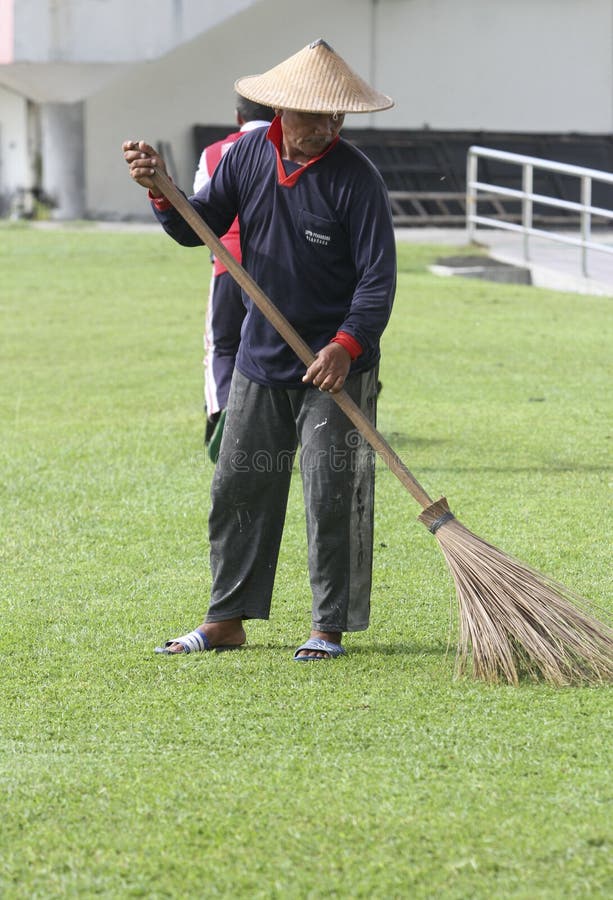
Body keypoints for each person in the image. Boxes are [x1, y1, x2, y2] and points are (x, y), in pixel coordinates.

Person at [123, 38, 396, 660]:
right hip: (262, 357)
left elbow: (378, 280)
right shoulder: (247, 155)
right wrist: (162, 191)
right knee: (239, 487)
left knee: (332, 491)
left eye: (335, 117)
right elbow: (202, 228)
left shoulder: (357, 179)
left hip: (335, 366)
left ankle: (328, 626)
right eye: (311, 115)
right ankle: (228, 618)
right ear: (280, 112)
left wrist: (347, 347)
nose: (324, 128)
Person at [194, 95, 275, 460]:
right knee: (273, 345)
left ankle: (222, 410)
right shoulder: (282, 148)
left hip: (228, 261)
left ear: (238, 116)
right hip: (277, 266)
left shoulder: (214, 153)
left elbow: (202, 207)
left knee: (222, 346)